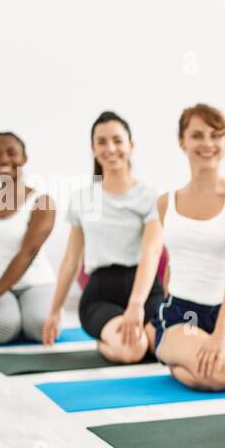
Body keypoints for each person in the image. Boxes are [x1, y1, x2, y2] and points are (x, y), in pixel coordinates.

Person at [139, 104, 225, 391]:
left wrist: (222, 331)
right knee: (222, 373)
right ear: (182, 141)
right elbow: (170, 262)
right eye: (197, 135)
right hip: (182, 314)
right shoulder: (166, 202)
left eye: (216, 136)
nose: (207, 144)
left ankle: (195, 352)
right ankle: (168, 350)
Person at [43, 111, 165, 362]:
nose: (110, 148)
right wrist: (54, 311)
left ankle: (139, 330)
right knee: (132, 350)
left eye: (117, 140)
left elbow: (152, 251)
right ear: (93, 148)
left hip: (144, 289)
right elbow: (71, 260)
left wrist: (136, 304)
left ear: (131, 146)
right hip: (101, 293)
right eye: (102, 142)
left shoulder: (151, 195)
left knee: (160, 348)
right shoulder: (83, 198)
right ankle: (104, 342)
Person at [0, 131, 56, 343]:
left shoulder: (42, 202)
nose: (4, 160)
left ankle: (26, 315)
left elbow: (27, 253)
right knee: (2, 329)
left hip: (35, 283)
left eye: (11, 152)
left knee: (41, 327)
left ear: (24, 158)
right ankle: (14, 317)